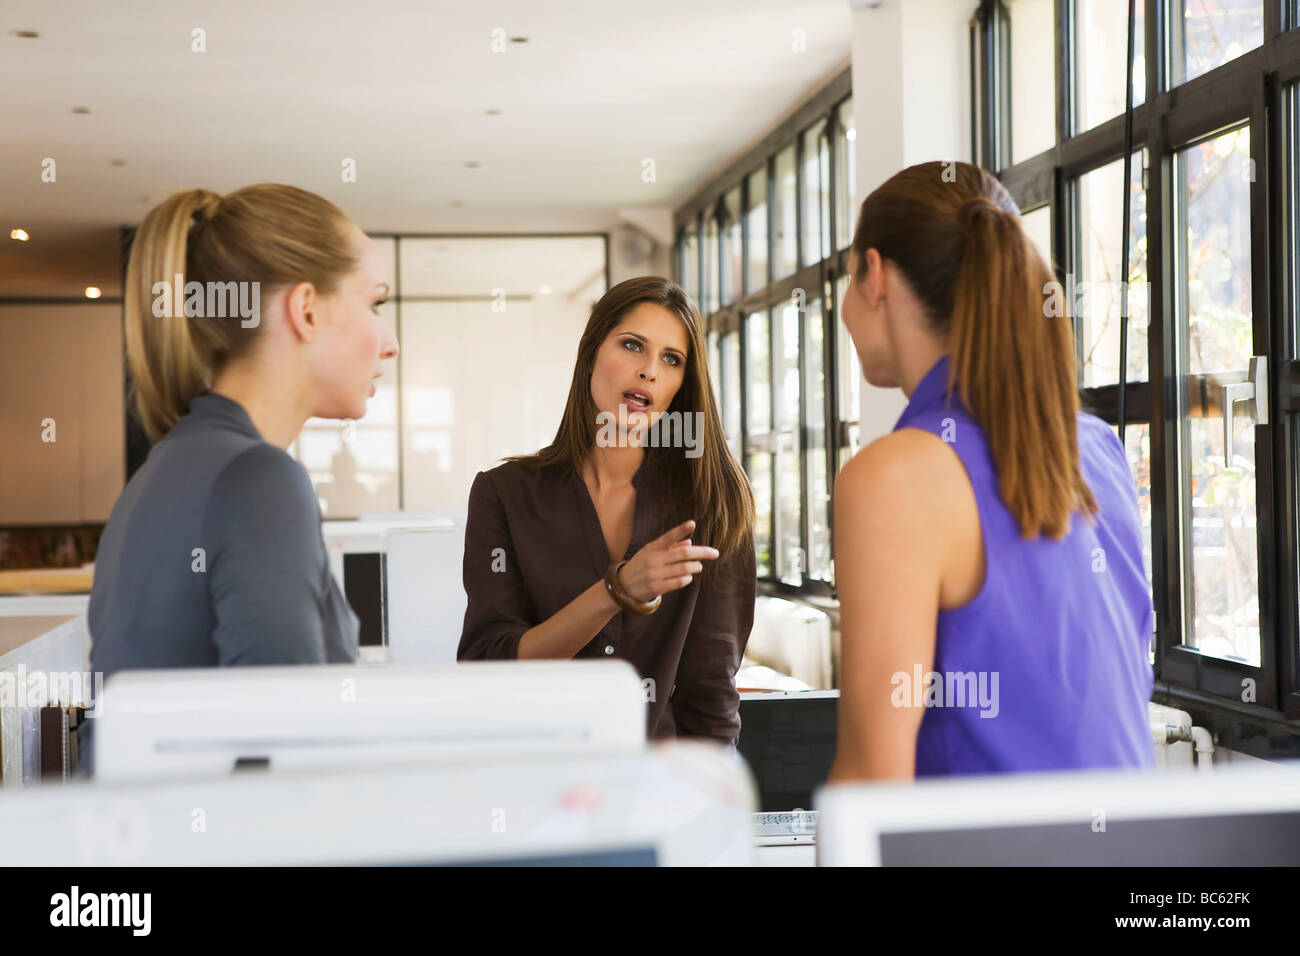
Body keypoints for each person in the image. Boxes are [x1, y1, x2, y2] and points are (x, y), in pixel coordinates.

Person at [828, 161, 1154, 780]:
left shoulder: (893, 479)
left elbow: (872, 783)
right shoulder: (1099, 448)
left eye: (847, 278)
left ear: (874, 276)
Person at [89, 184, 398, 681]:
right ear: (307, 311)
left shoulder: (167, 468)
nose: (391, 345)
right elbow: (281, 736)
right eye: (375, 304)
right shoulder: (260, 480)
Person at [458, 276, 756, 746]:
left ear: (681, 384)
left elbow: (711, 695)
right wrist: (618, 589)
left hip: (661, 794)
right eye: (633, 345)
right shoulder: (505, 494)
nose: (650, 372)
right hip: (532, 786)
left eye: (671, 359)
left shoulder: (712, 501)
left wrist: (706, 804)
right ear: (591, 351)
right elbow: (489, 667)